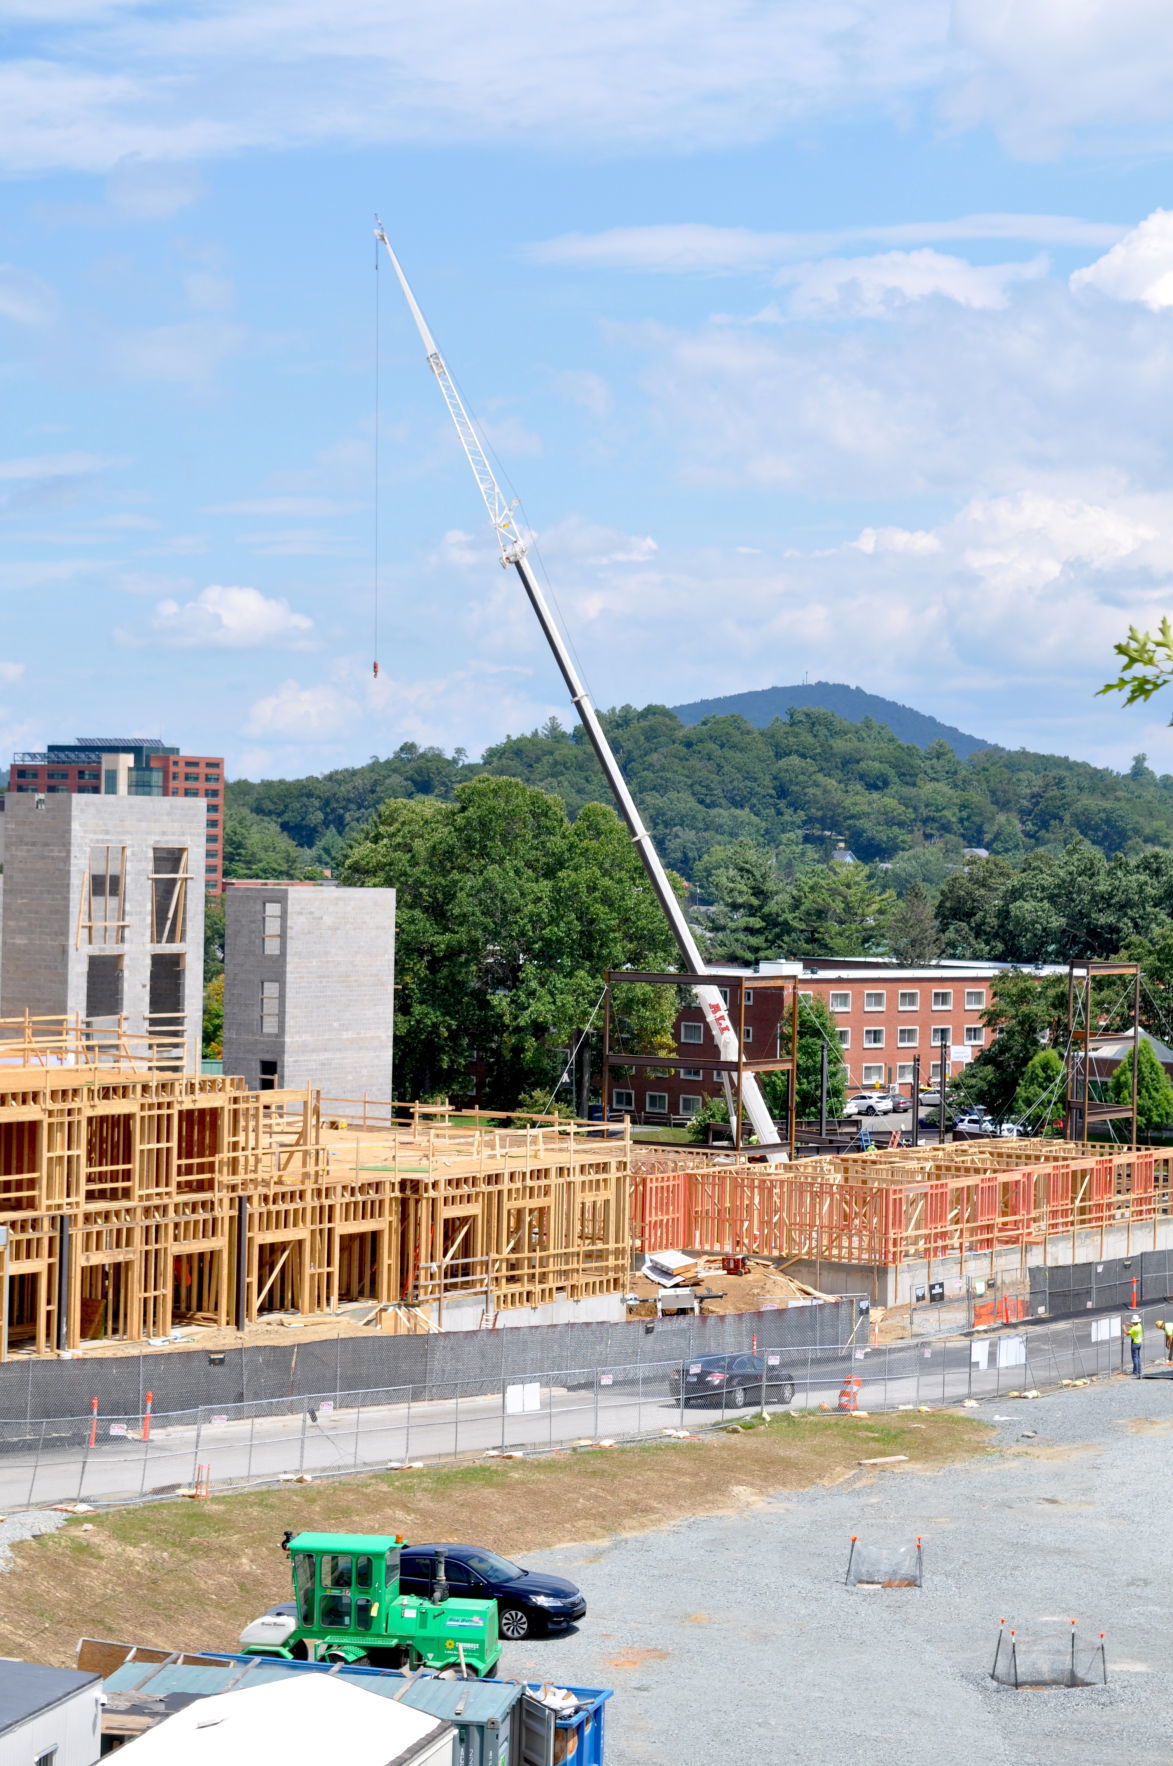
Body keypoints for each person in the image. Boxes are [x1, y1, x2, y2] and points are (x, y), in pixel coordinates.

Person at [1127, 1312, 1144, 1377]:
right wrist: (1129, 1324)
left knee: (1135, 1358)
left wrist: (1124, 1328)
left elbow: (1127, 1333)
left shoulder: (1133, 1328)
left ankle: (1135, 1371)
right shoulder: (1139, 1326)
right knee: (1138, 1357)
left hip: (1134, 1343)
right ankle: (1139, 1371)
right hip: (1139, 1342)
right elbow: (1134, 1326)